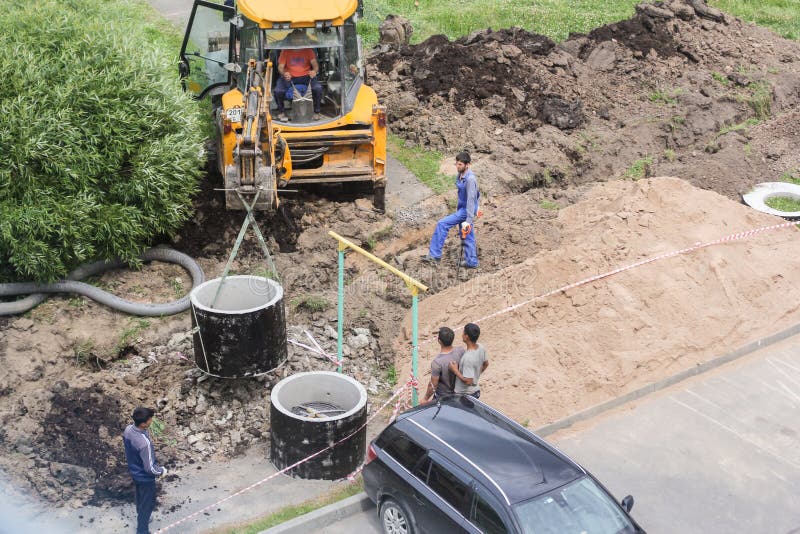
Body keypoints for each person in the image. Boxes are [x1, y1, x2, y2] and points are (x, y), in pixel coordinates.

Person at [421, 151, 479, 268]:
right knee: (467, 235)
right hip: (462, 208)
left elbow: (472, 199)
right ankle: (471, 262)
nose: (457, 167)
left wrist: (468, 220)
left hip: (466, 210)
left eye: (460, 165)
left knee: (442, 224)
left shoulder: (470, 179)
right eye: (456, 164)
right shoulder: (461, 175)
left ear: (467, 165)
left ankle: (435, 256)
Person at [123, 407, 167, 534]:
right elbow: (150, 468)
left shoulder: (128, 430)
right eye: (150, 419)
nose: (151, 421)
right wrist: (161, 471)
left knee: (140, 497)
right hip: (145, 478)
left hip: (134, 471)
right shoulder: (144, 443)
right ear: (143, 423)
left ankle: (142, 518)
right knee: (147, 504)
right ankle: (142, 530)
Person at [274, 29, 323, 122]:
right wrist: (284, 73)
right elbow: (280, 67)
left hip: (306, 77)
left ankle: (316, 112)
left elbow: (315, 66)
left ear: (303, 39)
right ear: (291, 39)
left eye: (299, 38)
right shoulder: (285, 51)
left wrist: (314, 71)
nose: (297, 40)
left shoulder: (308, 51)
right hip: (290, 78)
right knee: (278, 91)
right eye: (295, 38)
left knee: (317, 88)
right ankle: (281, 112)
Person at [423, 327, 465, 403]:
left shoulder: (437, 362)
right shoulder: (461, 350)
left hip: (442, 398)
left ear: (439, 341)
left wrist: (425, 399)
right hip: (459, 393)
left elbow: (433, 386)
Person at [449, 323, 488, 398]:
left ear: (466, 337)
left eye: (463, 333)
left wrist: (455, 370)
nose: (462, 335)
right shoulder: (481, 347)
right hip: (475, 391)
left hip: (466, 395)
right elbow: (486, 364)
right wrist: (476, 375)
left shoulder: (468, 358)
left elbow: (468, 381)